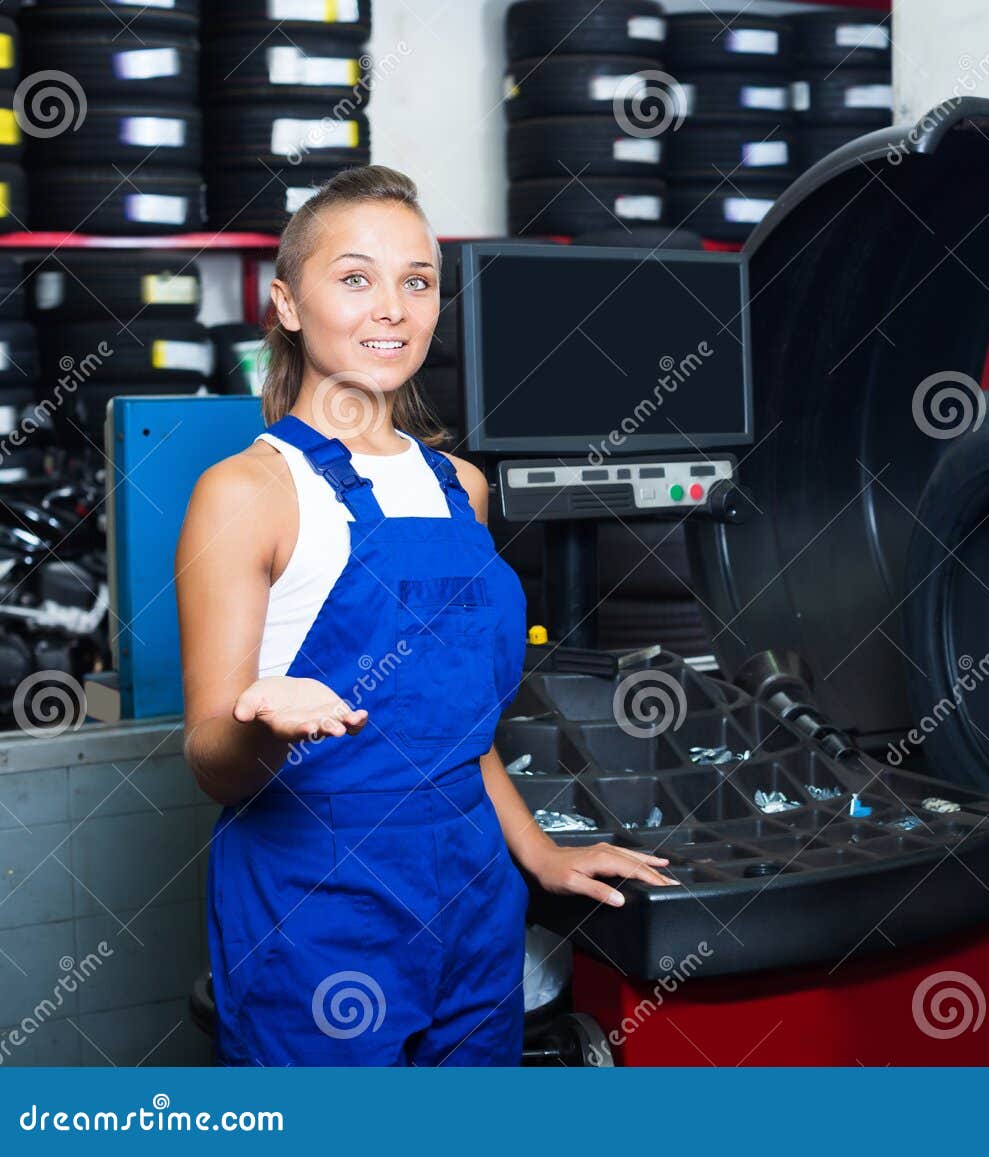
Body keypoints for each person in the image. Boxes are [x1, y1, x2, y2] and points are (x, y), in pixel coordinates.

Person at [176, 165, 677, 1066]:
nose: (393, 309)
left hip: (473, 887)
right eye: (355, 277)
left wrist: (538, 855)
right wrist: (262, 725)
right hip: (318, 893)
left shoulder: (462, 490)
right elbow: (213, 761)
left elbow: (462, 727)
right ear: (288, 303)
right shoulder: (248, 492)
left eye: (418, 281)